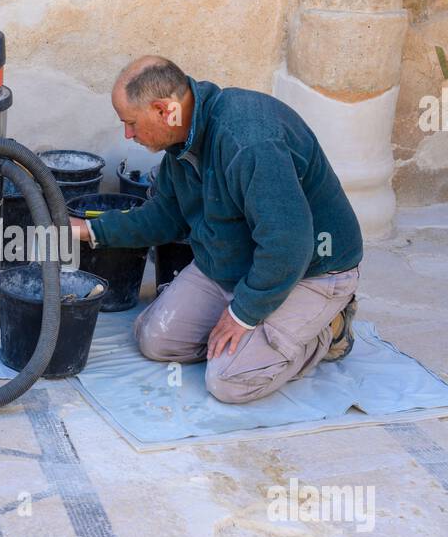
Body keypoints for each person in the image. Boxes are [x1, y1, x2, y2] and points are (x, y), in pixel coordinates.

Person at [70, 56, 363, 404]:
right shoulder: (181, 142)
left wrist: (243, 313)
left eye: (131, 123)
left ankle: (328, 328)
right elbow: (165, 216)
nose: (128, 134)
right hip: (236, 263)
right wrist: (86, 230)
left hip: (309, 269)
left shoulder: (249, 142)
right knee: (156, 340)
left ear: (164, 110)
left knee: (230, 381)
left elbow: (289, 245)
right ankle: (259, 331)